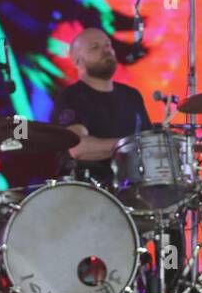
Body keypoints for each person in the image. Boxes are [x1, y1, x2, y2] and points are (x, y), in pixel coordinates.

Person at [53, 27, 152, 188]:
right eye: (95, 47)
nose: (106, 51)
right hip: (89, 193)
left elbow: (147, 143)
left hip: (133, 191)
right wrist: (128, 145)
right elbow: (79, 148)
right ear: (78, 61)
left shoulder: (132, 95)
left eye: (108, 45)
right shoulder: (70, 97)